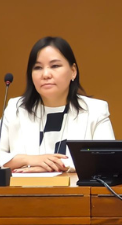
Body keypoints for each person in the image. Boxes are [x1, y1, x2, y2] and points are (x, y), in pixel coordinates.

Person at [0, 36, 115, 173]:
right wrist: (29, 160)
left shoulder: (95, 110)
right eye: (37, 67)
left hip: (77, 193)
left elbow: (107, 159)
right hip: (24, 192)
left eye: (55, 66)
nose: (46, 74)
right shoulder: (16, 109)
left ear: (73, 71)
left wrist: (50, 165)